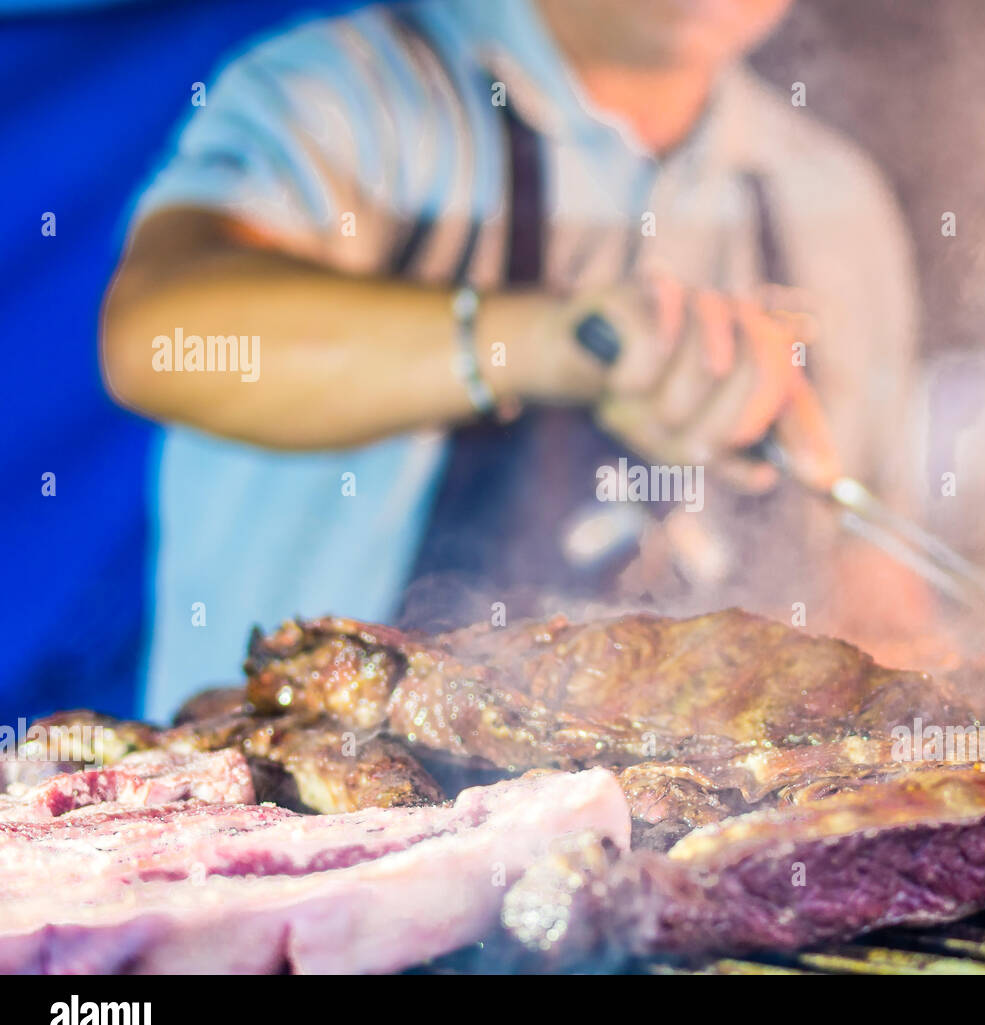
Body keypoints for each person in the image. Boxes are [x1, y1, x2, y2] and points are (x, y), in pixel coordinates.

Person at [100, 0, 920, 723]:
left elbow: (869, 575)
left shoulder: (836, 201)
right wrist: (552, 345)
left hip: (700, 863)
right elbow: (155, 337)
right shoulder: (346, 95)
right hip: (305, 853)